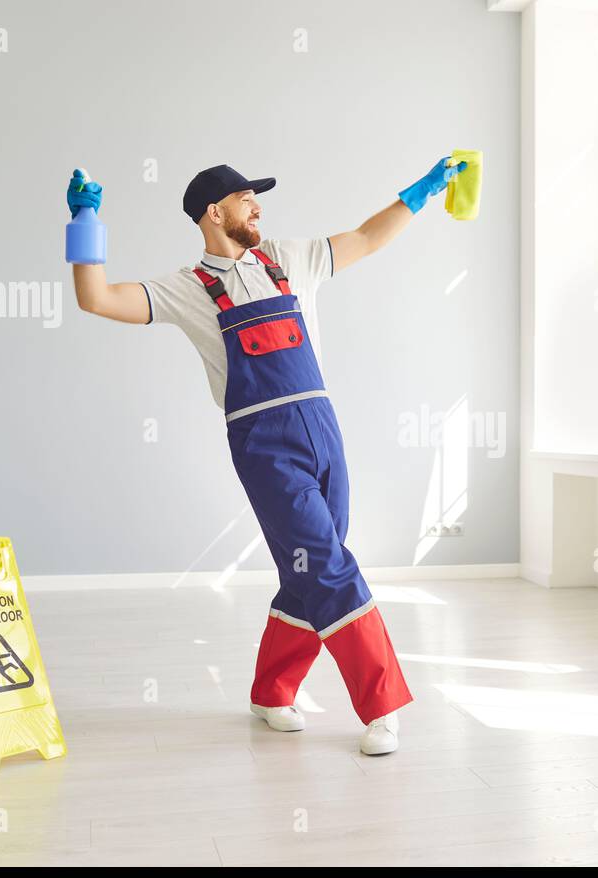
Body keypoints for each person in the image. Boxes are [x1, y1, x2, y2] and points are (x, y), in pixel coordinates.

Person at [66, 159, 464, 755]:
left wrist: (423, 192)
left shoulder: (289, 257)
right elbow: (95, 298)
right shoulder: (187, 288)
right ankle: (381, 705)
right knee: (328, 564)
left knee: (306, 569)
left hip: (324, 429)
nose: (258, 207)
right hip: (263, 442)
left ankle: (273, 692)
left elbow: (364, 237)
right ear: (213, 212)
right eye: (246, 198)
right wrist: (85, 219)